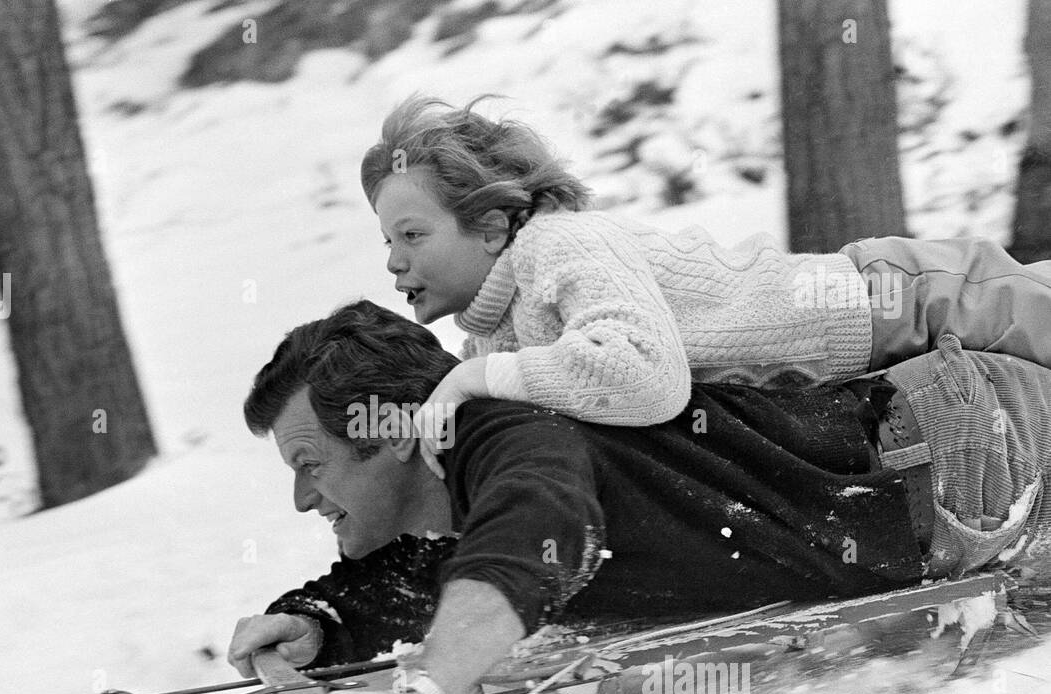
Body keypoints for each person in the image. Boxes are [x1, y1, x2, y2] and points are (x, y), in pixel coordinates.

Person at [228, 301, 1051, 694]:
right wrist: (317, 624)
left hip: (964, 446)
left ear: (398, 430)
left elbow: (532, 542)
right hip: (934, 483)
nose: (305, 500)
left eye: (312, 463)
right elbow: (439, 573)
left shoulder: (514, 437)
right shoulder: (454, 487)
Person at [362, 95, 1051, 476]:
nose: (394, 261)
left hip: (892, 301)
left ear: (488, 225)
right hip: (869, 356)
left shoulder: (560, 243)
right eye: (387, 240)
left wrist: (478, 382)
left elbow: (644, 378)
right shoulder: (491, 330)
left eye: (413, 235)